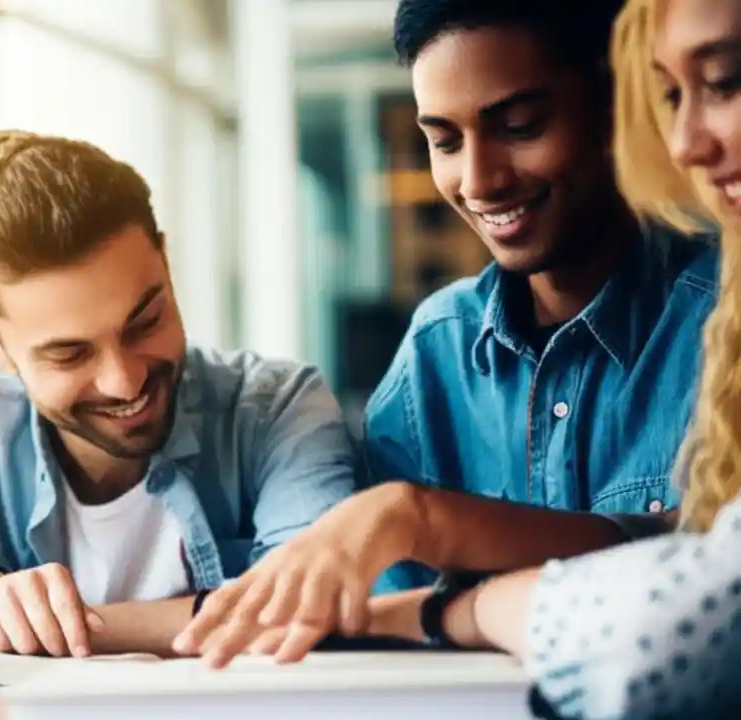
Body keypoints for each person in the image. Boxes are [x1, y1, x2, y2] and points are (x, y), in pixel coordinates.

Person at [174, 0, 721, 667]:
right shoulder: (432, 361)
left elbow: (712, 593)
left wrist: (432, 522)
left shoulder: (723, 315)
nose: (479, 180)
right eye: (444, 141)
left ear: (616, 103)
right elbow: (394, 638)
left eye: (520, 126)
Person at [0, 130, 357, 658]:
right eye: (69, 354)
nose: (124, 380)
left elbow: (316, 611)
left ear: (167, 262)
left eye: (145, 321)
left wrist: (41, 633)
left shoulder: (278, 407)